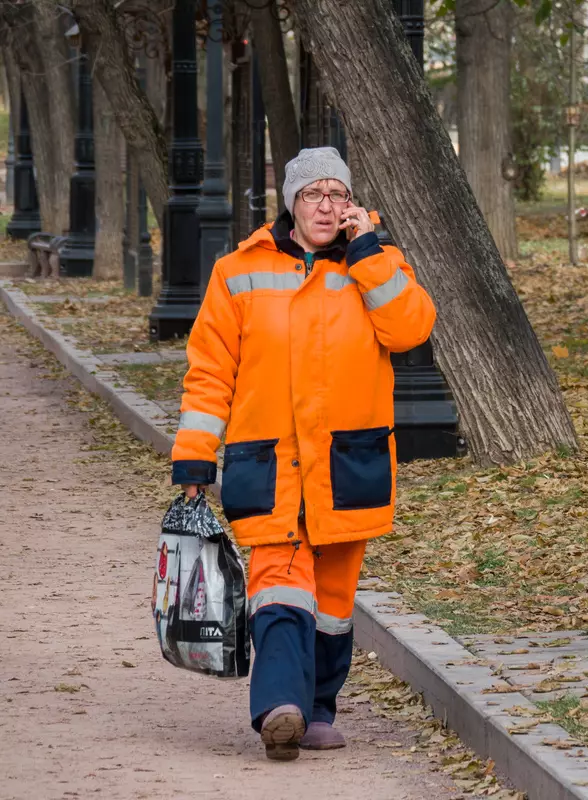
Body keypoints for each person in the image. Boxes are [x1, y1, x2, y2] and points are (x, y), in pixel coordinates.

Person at [170, 147, 436, 761]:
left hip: (348, 462)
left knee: (335, 604)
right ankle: (280, 708)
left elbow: (410, 329)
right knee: (277, 587)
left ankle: (318, 708)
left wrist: (369, 255)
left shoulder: (377, 264)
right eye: (313, 194)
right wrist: (193, 458)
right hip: (268, 463)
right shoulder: (238, 271)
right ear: (291, 202)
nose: (326, 206)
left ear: (352, 205)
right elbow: (210, 373)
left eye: (337, 195)